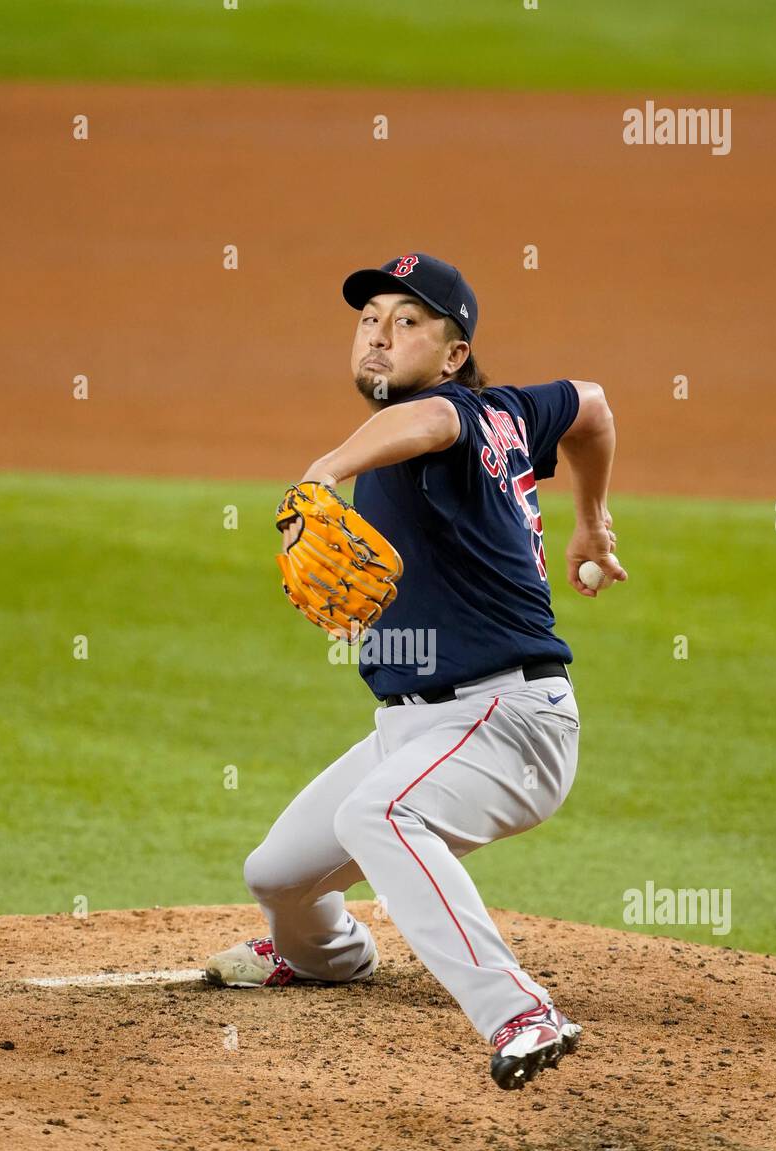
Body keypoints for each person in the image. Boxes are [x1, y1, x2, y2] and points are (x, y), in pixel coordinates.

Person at [205, 253, 626, 1090]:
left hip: (511, 721)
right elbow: (593, 404)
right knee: (278, 876)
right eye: (369, 320)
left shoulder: (444, 413)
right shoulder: (512, 411)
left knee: (381, 815)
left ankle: (519, 1013)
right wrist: (593, 519)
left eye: (407, 323)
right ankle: (330, 958)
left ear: (454, 352)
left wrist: (324, 471)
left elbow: (432, 424)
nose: (378, 336)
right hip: (420, 724)